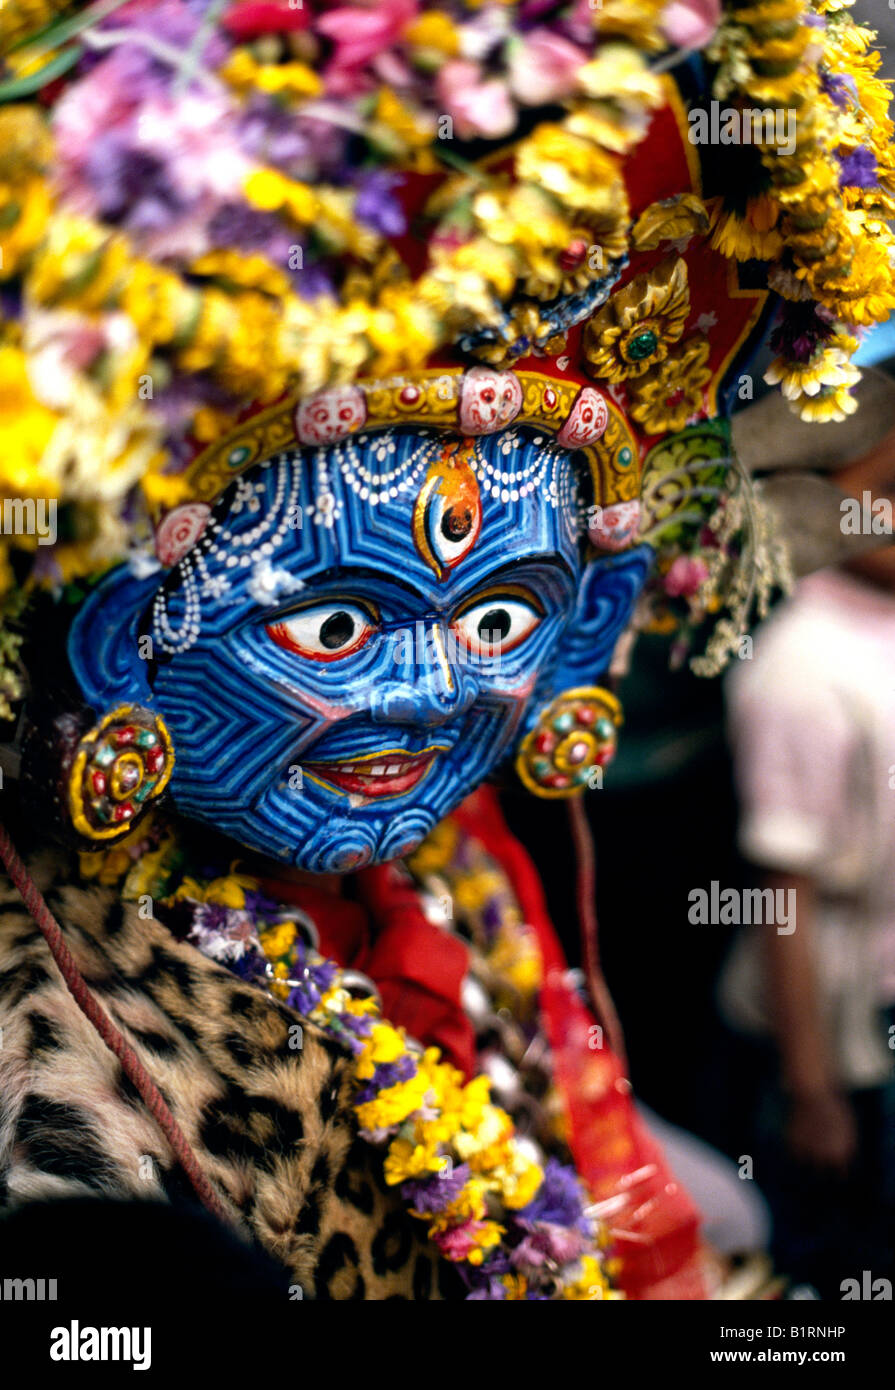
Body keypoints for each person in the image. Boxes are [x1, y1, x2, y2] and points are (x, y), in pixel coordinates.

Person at [0, 0, 892, 1304]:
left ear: (582, 626)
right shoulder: (47, 1080)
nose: (434, 692)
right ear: (123, 641)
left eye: (496, 619)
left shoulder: (454, 868)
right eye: (336, 624)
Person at [723, 427, 895, 1295]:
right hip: (837, 1034)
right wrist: (811, 1090)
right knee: (833, 1254)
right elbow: (778, 897)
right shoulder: (801, 664)